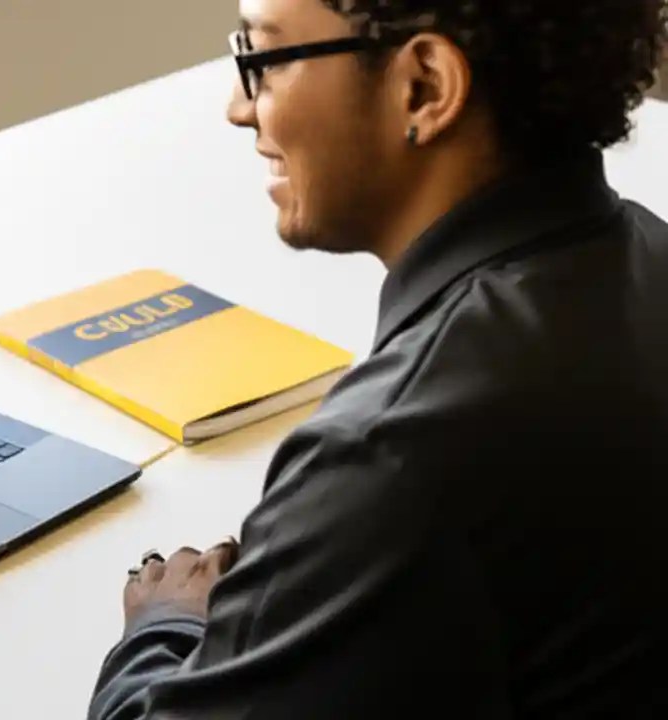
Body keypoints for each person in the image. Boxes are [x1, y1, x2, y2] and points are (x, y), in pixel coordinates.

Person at [90, 1, 668, 717]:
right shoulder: (648, 257)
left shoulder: (390, 456)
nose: (238, 108)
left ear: (423, 87)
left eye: (265, 60)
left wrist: (163, 626)